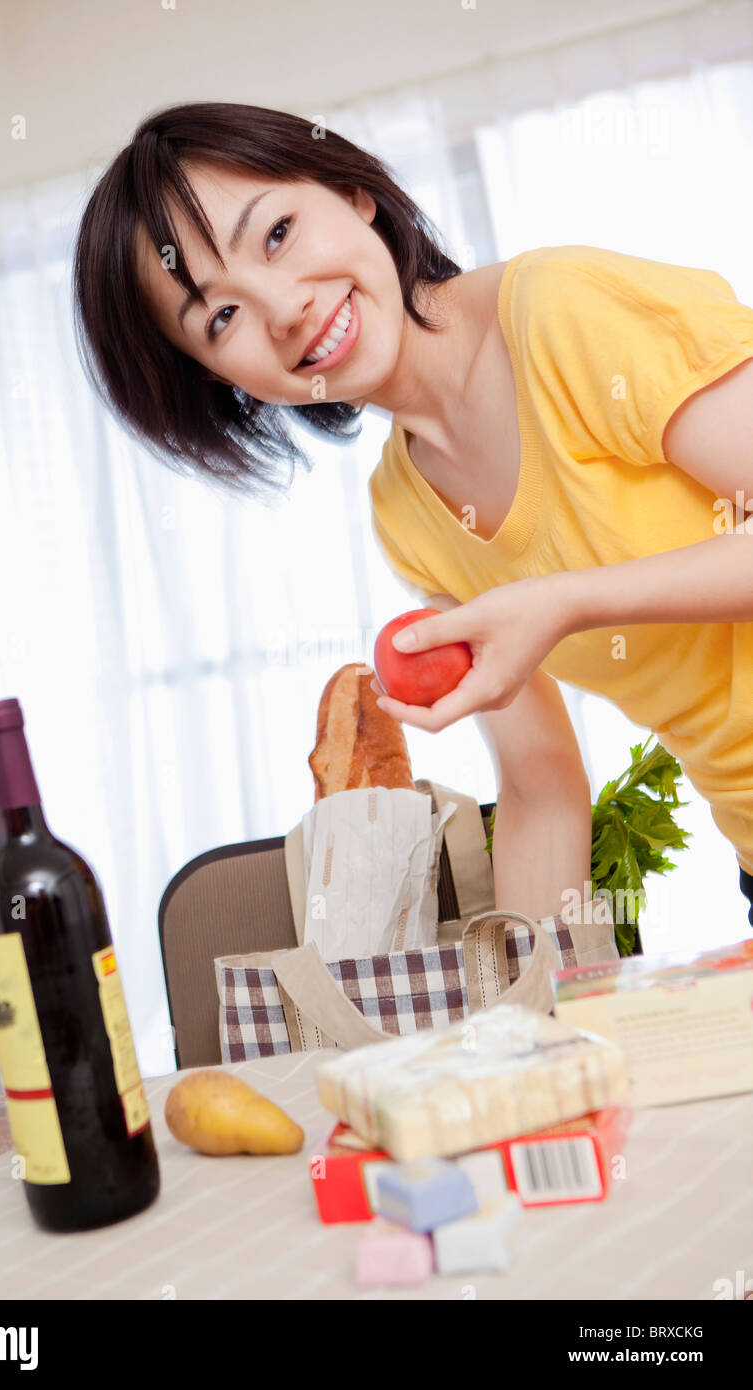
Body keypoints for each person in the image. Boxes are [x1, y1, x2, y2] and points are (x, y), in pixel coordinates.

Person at [72, 101, 753, 935]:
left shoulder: (562, 314)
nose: (284, 310)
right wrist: (534, 1011)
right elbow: (542, 790)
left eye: (277, 234)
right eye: (221, 317)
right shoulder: (406, 514)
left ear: (353, 190)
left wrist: (569, 602)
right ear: (223, 381)